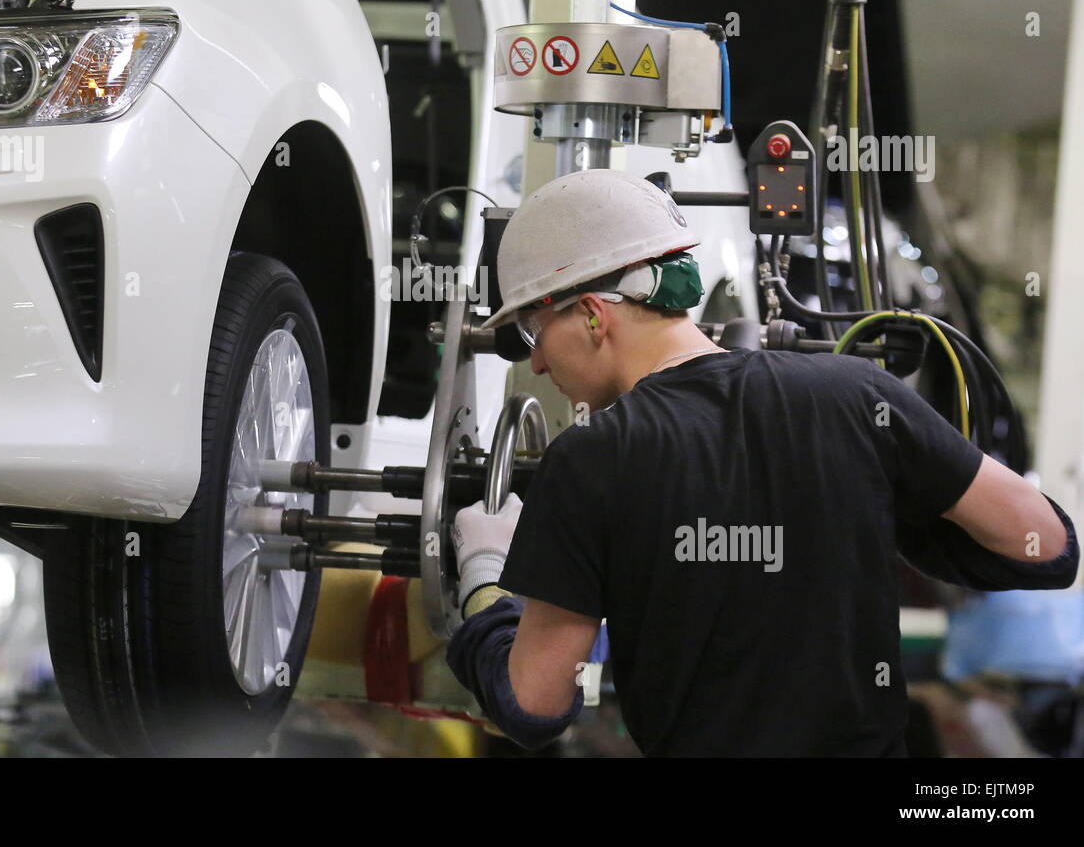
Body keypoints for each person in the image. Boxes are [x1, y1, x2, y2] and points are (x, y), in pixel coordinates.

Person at [446, 167, 1078, 757]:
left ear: (591, 313)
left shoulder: (587, 460)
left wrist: (485, 578)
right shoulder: (858, 395)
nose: (534, 362)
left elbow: (533, 706)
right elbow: (1045, 547)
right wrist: (874, 500)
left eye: (533, 330)